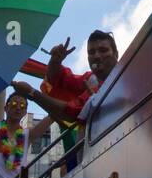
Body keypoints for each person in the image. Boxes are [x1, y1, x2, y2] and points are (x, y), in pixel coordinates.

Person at [11, 30, 120, 170]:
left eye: (103, 50)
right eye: (91, 52)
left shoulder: (124, 78)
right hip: (91, 161)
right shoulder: (91, 79)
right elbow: (60, 79)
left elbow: (72, 111)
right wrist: (55, 61)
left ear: (116, 54)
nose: (97, 56)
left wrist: (32, 94)